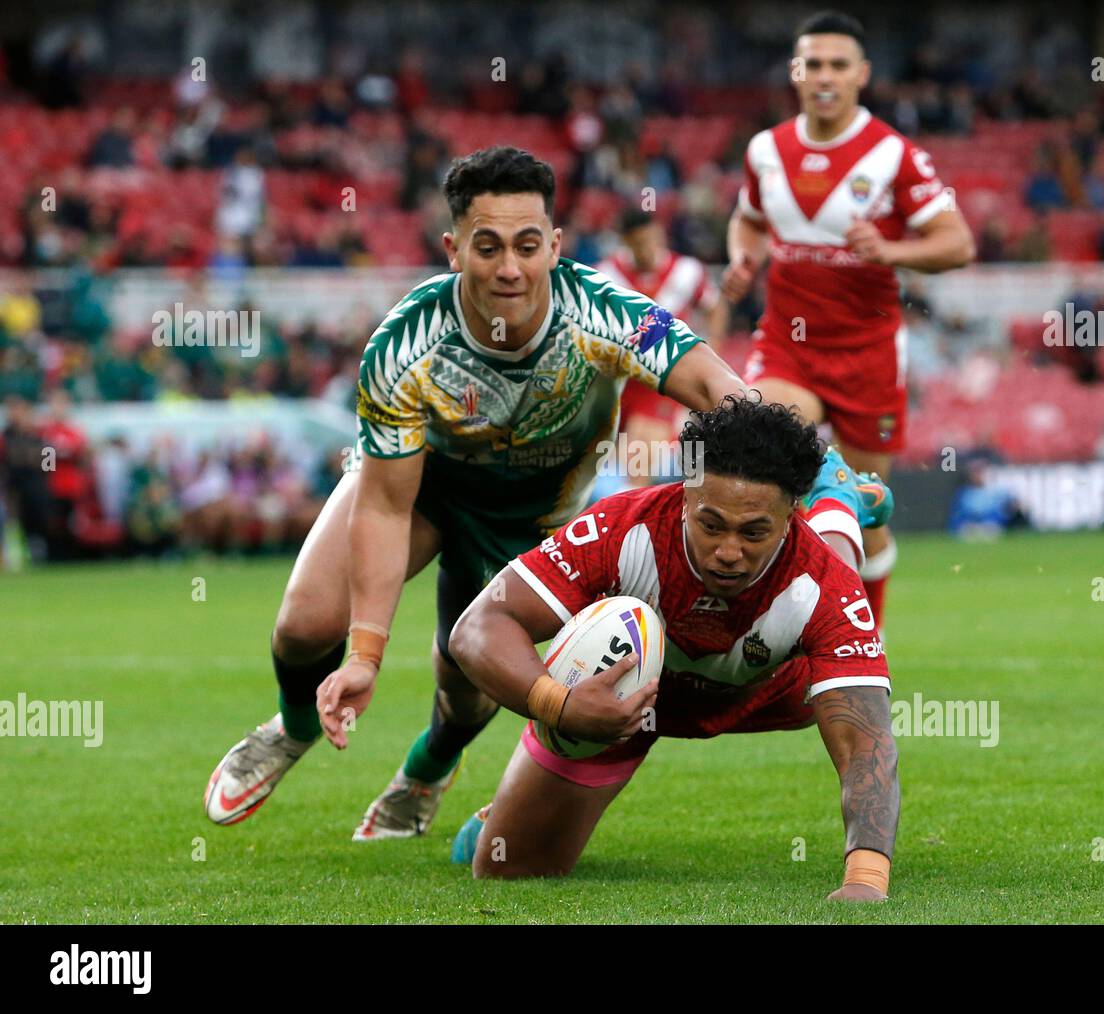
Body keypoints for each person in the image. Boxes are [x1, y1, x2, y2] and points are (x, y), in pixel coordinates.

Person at [203, 146, 747, 839]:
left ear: (555, 246)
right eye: (488, 247)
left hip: (530, 521)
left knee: (465, 683)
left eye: (527, 245)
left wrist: (774, 443)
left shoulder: (605, 313)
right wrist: (365, 656)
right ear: (454, 249)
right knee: (304, 626)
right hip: (423, 486)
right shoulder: (404, 345)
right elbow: (384, 504)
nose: (510, 268)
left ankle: (426, 770)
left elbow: (712, 383)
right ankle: (294, 728)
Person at [351, 395, 899, 901]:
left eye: (754, 533)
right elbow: (477, 627)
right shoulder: (622, 527)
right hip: (628, 704)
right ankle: (512, 816)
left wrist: (866, 878)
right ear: (685, 494)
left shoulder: (822, 581)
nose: (728, 551)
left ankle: (836, 502)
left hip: (774, 696)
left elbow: (867, 744)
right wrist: (557, 704)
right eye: (712, 525)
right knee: (506, 867)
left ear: (787, 517)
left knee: (831, 576)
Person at [722, 9, 974, 633]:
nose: (824, 76)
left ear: (862, 73)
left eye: (838, 64)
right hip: (788, 346)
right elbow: (750, 217)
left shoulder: (895, 156)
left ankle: (866, 636)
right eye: (813, 64)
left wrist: (893, 251)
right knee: (759, 466)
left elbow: (958, 244)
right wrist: (742, 257)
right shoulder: (766, 150)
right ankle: (757, 631)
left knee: (868, 508)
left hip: (867, 354)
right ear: (795, 73)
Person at [596, 208, 730, 486]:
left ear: (658, 234)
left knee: (642, 456)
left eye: (648, 240)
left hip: (666, 383)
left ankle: (640, 518)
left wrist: (711, 348)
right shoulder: (606, 276)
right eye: (637, 243)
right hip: (622, 382)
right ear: (625, 242)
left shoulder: (687, 272)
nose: (644, 250)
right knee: (627, 460)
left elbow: (715, 307)